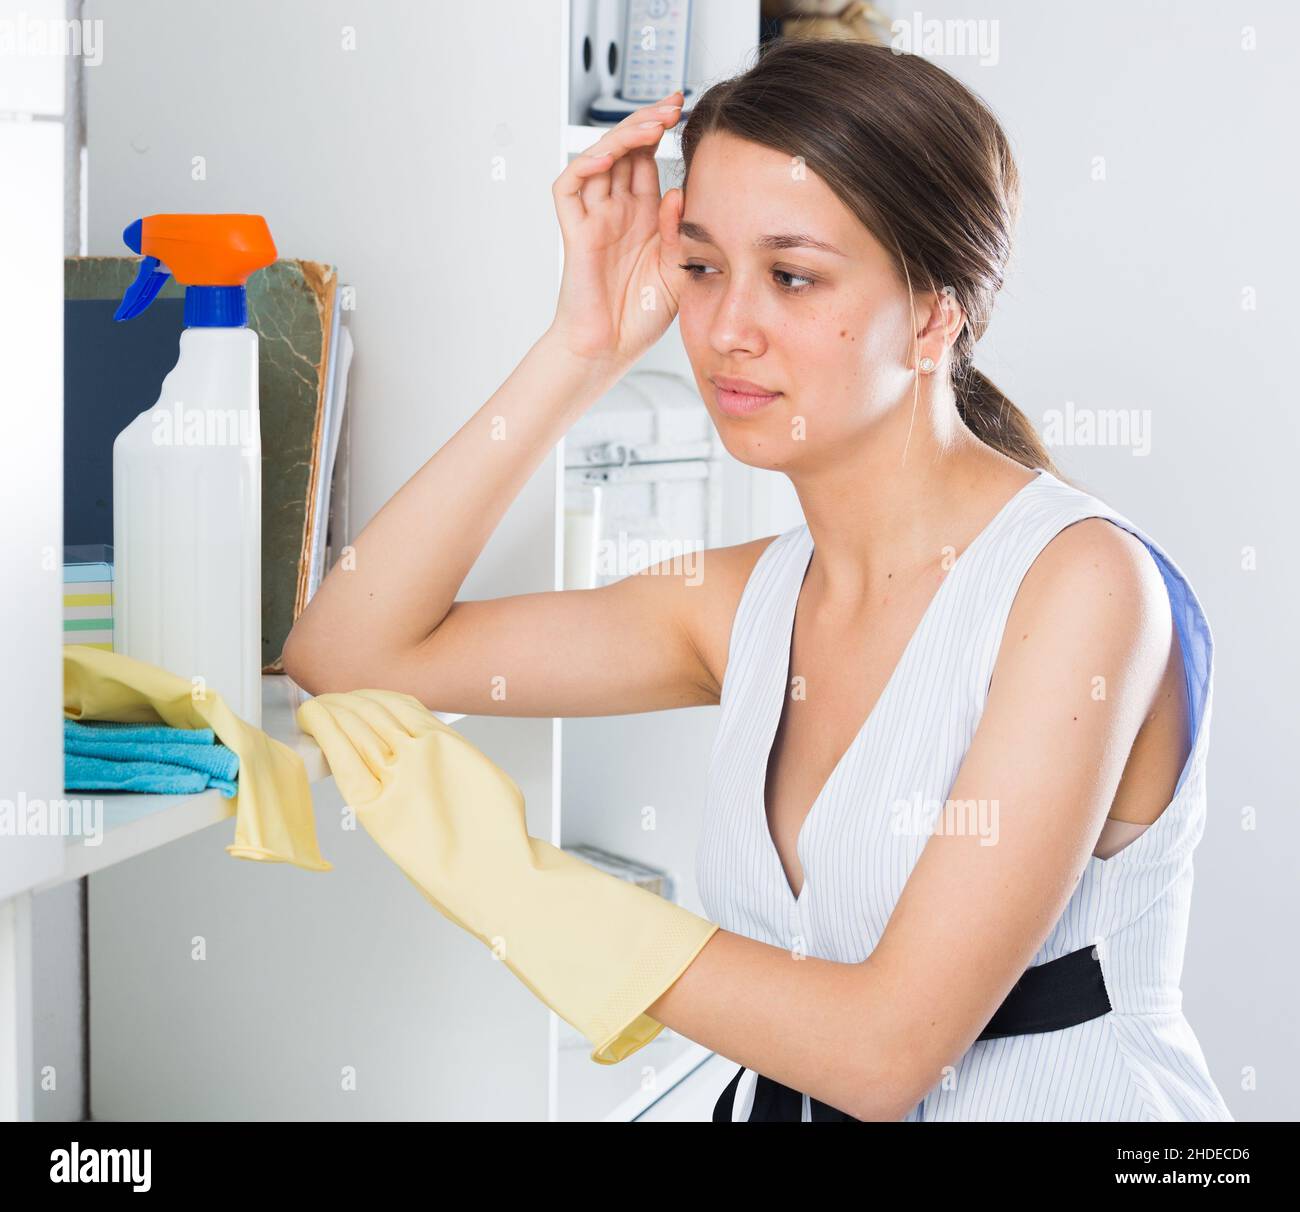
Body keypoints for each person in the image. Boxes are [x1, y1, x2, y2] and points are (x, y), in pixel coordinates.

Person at [283, 39, 1233, 1121]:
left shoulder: (1081, 589)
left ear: (932, 315)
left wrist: (525, 889)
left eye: (790, 276)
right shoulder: (739, 602)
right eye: (699, 267)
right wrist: (580, 350)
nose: (725, 330)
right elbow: (347, 654)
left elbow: (882, 1058)